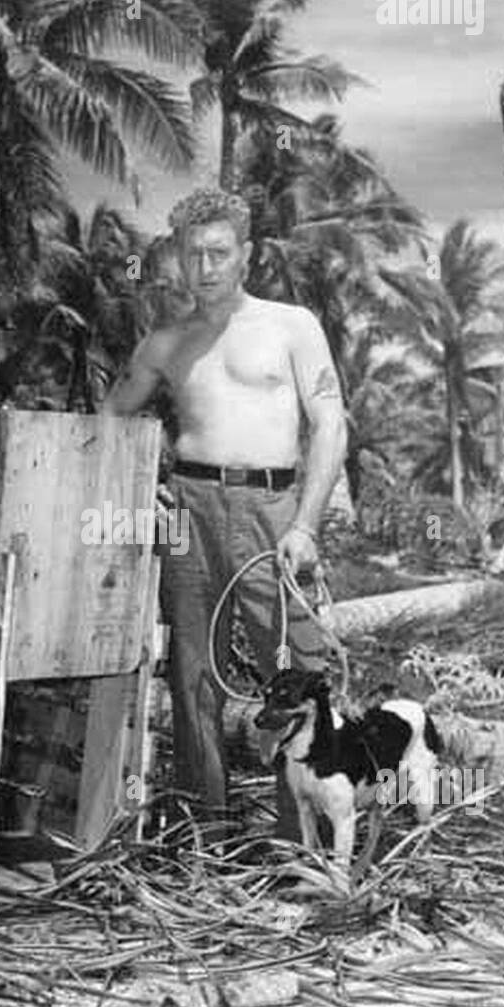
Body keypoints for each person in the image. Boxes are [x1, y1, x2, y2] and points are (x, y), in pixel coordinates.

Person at [103, 187, 347, 827]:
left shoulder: (292, 325)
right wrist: (140, 482)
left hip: (274, 507)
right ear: (177, 259)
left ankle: (306, 840)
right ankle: (203, 835)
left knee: (298, 670)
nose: (205, 267)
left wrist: (305, 525)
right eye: (193, 254)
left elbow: (329, 424)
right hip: (188, 507)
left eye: (219, 252)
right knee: (193, 674)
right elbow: (109, 420)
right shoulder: (165, 343)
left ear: (247, 254)